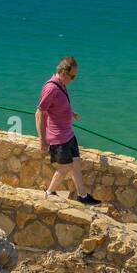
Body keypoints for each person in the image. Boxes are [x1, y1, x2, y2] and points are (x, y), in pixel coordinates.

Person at [36, 56, 100, 205]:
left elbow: (59, 105)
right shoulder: (51, 88)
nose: (73, 79)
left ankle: (82, 196)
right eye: (72, 76)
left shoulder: (62, 85)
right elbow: (39, 112)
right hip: (58, 137)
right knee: (65, 168)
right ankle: (49, 192)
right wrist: (42, 140)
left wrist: (71, 113)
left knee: (76, 163)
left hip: (68, 134)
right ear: (64, 72)